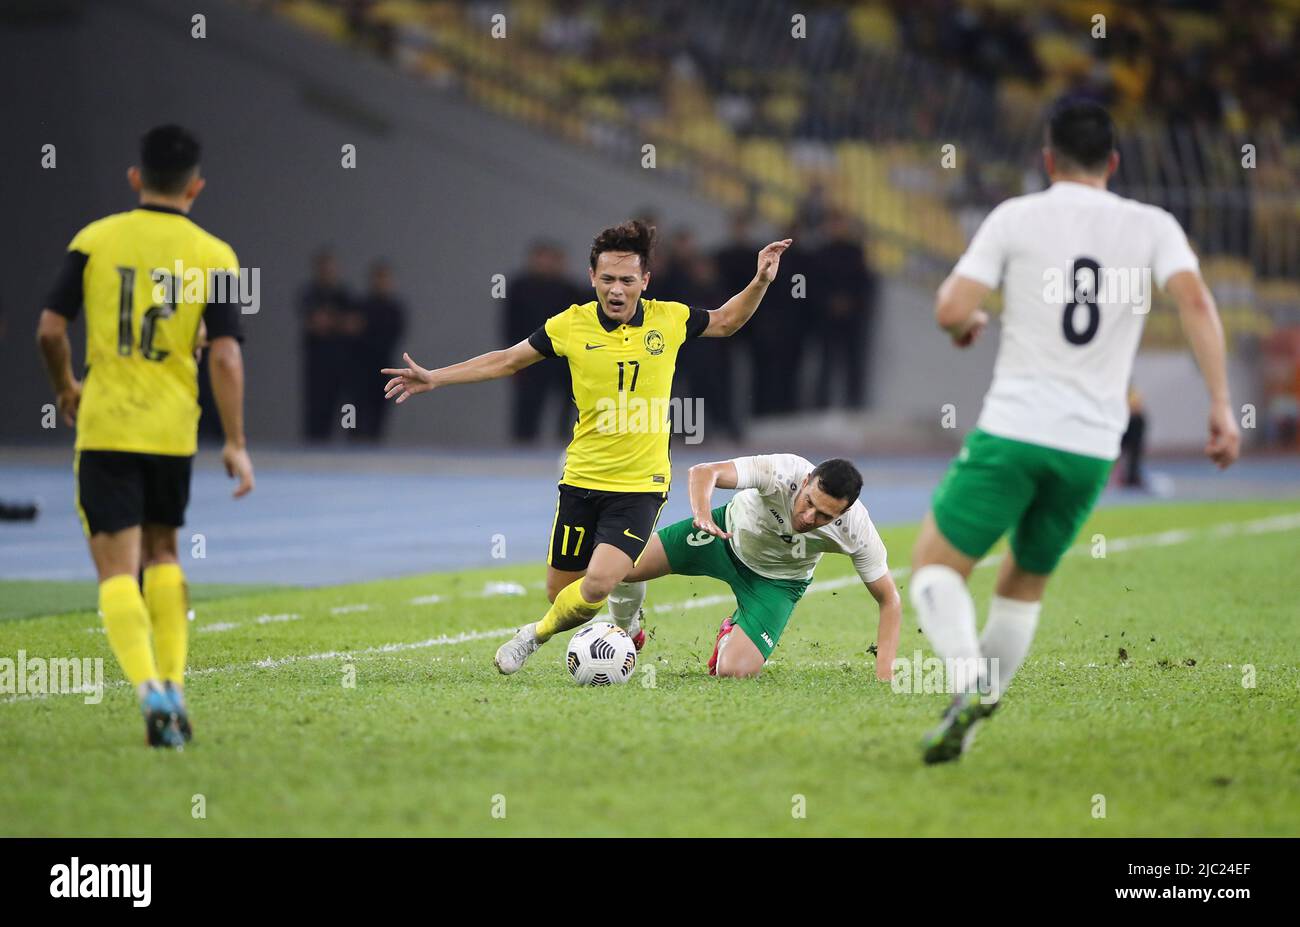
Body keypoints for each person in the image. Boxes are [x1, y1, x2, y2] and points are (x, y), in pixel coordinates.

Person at [908, 100, 1239, 764]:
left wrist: (961, 326)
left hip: (1015, 428)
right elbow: (1197, 300)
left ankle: (968, 681)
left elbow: (952, 306)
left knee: (935, 568)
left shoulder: (1016, 216)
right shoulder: (1153, 225)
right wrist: (1222, 405)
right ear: (1113, 162)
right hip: (1092, 444)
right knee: (1023, 583)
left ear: (1047, 159)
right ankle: (966, 727)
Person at [381, 219, 791, 675]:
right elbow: (507, 360)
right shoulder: (569, 325)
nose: (617, 290)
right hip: (581, 478)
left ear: (645, 281)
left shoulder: (669, 318)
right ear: (592, 277)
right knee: (563, 595)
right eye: (608, 280)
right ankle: (629, 614)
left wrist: (760, 280)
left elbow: (728, 321)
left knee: (595, 585)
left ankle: (530, 637)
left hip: (641, 484)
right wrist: (436, 376)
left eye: (628, 281)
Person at [35, 125, 255, 748]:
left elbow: (51, 330)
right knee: (164, 555)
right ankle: (176, 688)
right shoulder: (217, 255)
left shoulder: (95, 241)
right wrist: (235, 440)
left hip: (106, 426)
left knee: (115, 569)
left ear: (136, 177)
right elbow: (228, 358)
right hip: (171, 431)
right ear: (197, 186)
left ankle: (147, 692)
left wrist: (66, 387)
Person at [619, 455, 901, 679]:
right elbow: (704, 472)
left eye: (824, 515)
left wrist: (884, 675)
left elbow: (889, 600)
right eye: (809, 502)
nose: (808, 517)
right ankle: (628, 633)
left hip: (777, 582)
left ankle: (731, 632)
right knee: (620, 567)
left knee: (734, 672)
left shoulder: (856, 530)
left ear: (843, 513)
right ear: (804, 482)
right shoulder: (782, 470)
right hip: (721, 535)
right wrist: (703, 515)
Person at [503, 241, 583, 442]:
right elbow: (511, 323)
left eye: (552, 259)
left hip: (563, 358)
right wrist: (513, 355)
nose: (546, 264)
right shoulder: (520, 287)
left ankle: (567, 443)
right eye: (542, 258)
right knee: (529, 401)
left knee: (570, 402)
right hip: (530, 355)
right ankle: (523, 443)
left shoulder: (571, 290)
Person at [298, 250, 354, 442]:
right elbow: (316, 324)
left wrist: (331, 321)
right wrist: (337, 322)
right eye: (324, 268)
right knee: (316, 406)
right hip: (317, 361)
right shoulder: (309, 293)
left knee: (343, 404)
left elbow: (352, 324)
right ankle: (313, 444)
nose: (328, 272)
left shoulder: (344, 294)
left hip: (341, 362)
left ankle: (345, 445)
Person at [355, 260, 407, 441]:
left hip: (383, 368)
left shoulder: (394, 310)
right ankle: (354, 447)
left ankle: (374, 445)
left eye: (385, 278)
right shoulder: (362, 307)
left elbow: (393, 335)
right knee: (358, 413)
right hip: (360, 370)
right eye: (379, 278)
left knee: (379, 414)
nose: (382, 282)